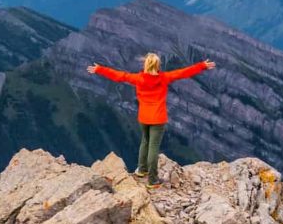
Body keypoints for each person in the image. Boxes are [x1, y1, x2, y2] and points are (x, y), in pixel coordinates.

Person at [87, 51, 216, 186]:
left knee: (145, 141)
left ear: (146, 65)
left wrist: (99, 69)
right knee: (153, 147)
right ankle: (152, 180)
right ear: (158, 65)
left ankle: (142, 169)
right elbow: (183, 72)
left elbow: (119, 76)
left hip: (144, 116)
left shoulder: (138, 78)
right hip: (158, 118)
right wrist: (202, 66)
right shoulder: (164, 77)